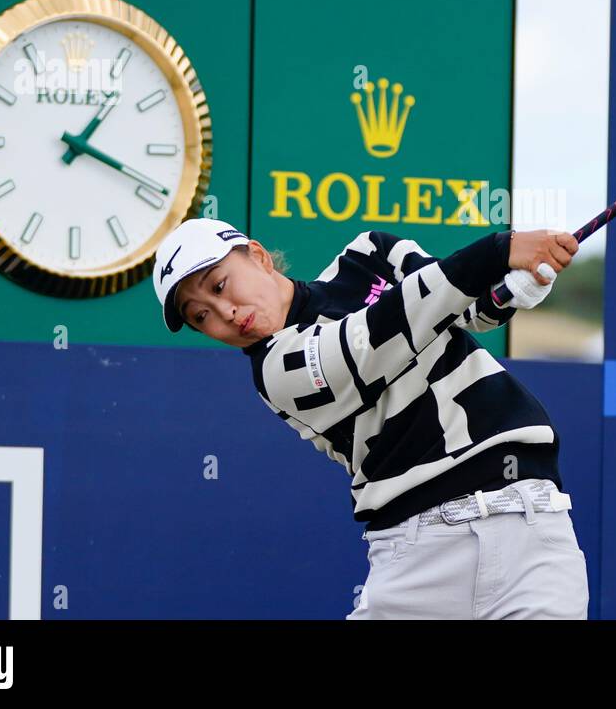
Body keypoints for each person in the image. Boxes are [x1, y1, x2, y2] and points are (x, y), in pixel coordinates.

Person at [151, 217, 589, 619]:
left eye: (221, 284)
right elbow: (373, 340)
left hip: (533, 528)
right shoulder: (276, 370)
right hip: (420, 560)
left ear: (259, 257)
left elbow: (466, 309)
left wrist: (516, 288)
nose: (224, 312)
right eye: (201, 315)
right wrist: (498, 250)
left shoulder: (369, 254)